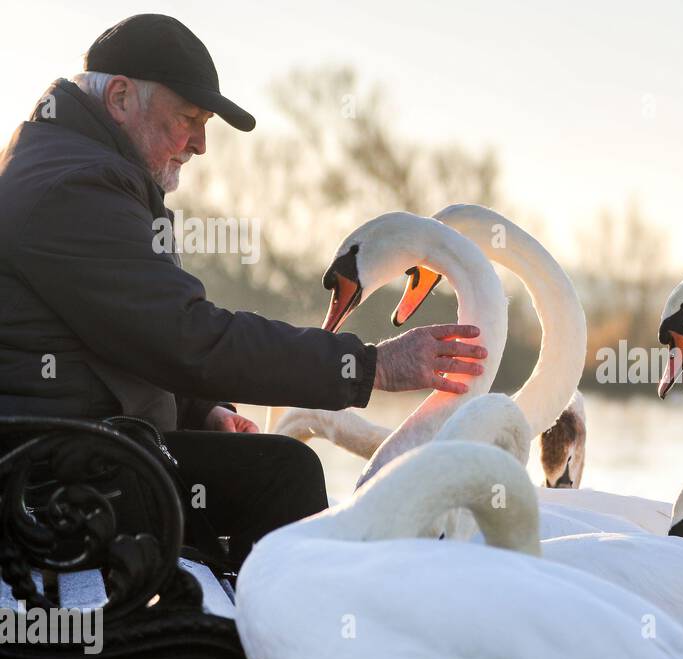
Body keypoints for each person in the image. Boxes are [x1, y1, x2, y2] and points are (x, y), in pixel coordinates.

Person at [0, 14, 486, 564]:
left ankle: (233, 622)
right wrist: (371, 367)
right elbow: (186, 337)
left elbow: (127, 340)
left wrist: (204, 411)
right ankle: (264, 644)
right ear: (119, 98)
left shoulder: (69, 165)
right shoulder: (75, 187)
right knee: (283, 471)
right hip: (49, 483)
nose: (202, 144)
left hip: (72, 455)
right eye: (189, 118)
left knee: (261, 465)